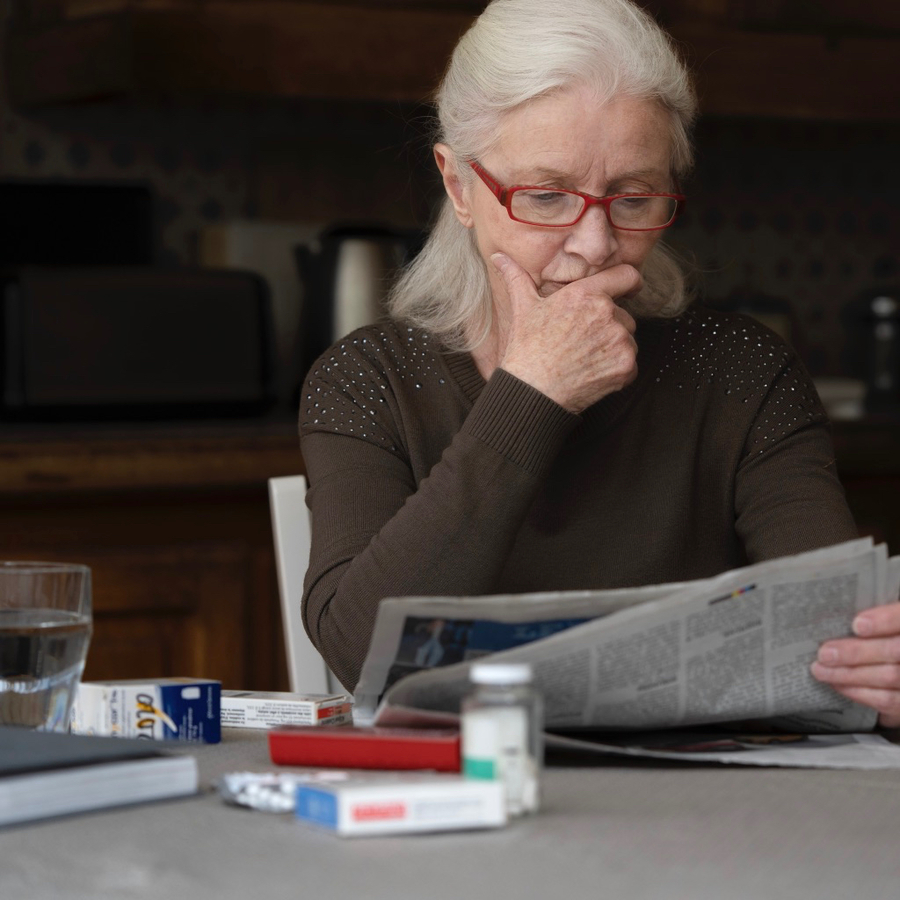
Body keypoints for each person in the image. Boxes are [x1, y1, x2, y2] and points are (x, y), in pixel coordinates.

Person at [298, 0, 900, 726]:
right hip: (456, 810)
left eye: (634, 196)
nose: (594, 243)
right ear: (460, 187)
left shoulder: (742, 371)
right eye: (546, 196)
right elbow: (360, 658)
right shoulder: (368, 380)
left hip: (704, 817)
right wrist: (533, 393)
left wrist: (882, 665)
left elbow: (838, 640)